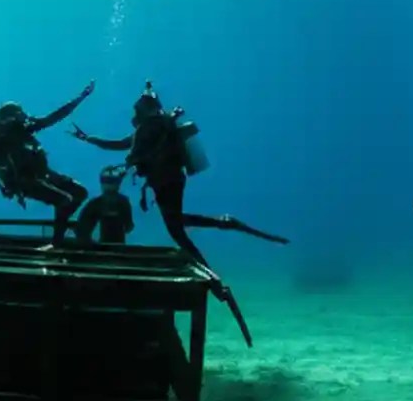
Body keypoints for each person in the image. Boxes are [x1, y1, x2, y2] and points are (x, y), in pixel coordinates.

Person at [70, 81, 287, 269]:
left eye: (137, 109)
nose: (134, 113)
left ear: (144, 110)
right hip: (168, 181)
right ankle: (226, 223)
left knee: (177, 232)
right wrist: (88, 138)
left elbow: (128, 150)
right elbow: (120, 144)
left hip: (165, 182)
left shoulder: (149, 128)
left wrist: (98, 144)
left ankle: (208, 270)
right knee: (177, 222)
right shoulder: (155, 126)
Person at [0, 81, 95, 244]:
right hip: (22, 182)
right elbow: (0, 168)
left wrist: (80, 98)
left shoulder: (20, 129)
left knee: (80, 192)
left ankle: (65, 231)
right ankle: (58, 242)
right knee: (64, 200)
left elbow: (53, 117)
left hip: (41, 174)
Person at [74, 165, 135, 244]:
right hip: (116, 248)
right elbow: (129, 227)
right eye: (107, 181)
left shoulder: (95, 203)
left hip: (104, 248)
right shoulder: (123, 202)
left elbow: (81, 229)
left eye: (110, 181)